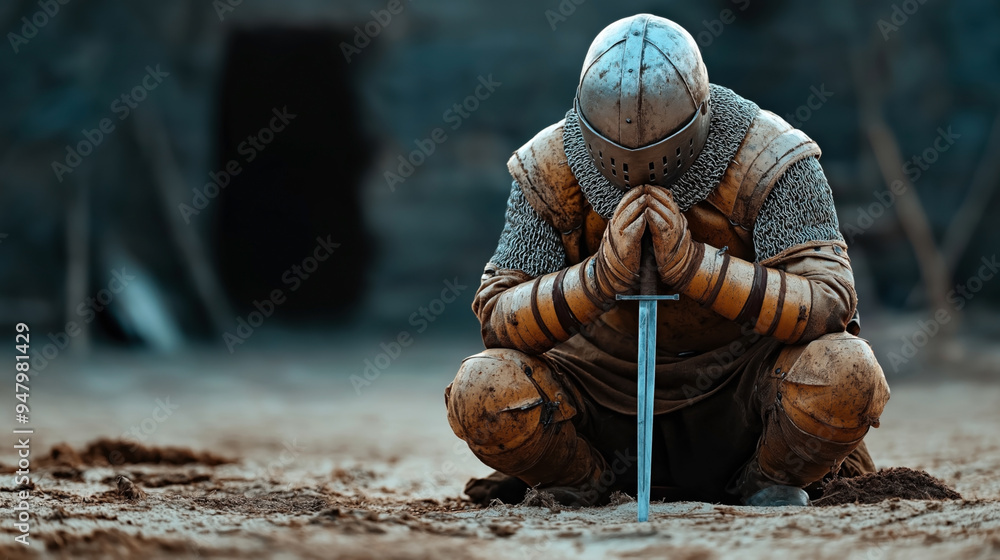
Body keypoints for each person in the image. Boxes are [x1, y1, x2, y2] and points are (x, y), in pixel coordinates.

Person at [445, 14, 889, 507]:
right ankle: (579, 478)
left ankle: (768, 477)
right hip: (595, 392)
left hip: (744, 393)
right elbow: (498, 318)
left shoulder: (769, 159)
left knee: (847, 369)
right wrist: (598, 278)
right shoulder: (550, 169)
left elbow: (830, 301)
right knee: (482, 387)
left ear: (702, 114)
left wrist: (700, 269)